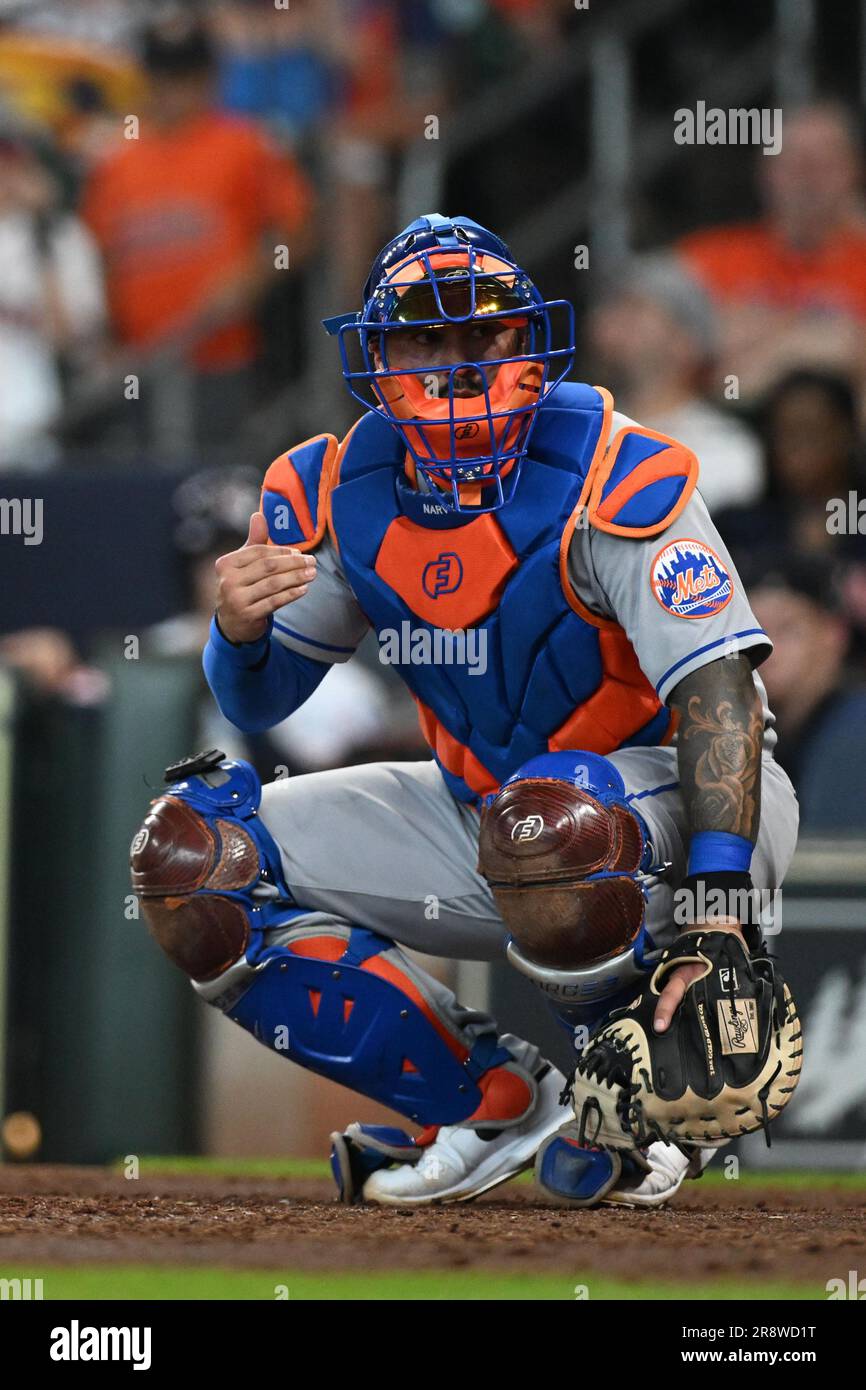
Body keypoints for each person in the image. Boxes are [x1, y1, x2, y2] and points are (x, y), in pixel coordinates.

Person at [130, 214, 799, 1210]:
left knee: (547, 819)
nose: (456, 365)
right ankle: (483, 1099)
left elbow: (717, 691)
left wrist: (718, 905)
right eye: (425, 339)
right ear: (380, 358)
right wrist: (235, 627)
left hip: (673, 805)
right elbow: (259, 696)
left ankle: (629, 1099)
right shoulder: (339, 490)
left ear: (527, 345)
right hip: (480, 810)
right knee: (191, 860)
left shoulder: (614, 472)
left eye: (482, 335)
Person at [82, 13, 315, 457]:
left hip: (220, 354)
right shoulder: (117, 159)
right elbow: (97, 256)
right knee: (138, 487)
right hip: (139, 366)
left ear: (209, 78)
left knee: (214, 479)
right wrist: (107, 339)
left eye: (184, 77)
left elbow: (299, 231)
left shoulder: (243, 143)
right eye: (163, 76)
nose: (173, 90)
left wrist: (251, 277)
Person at [677, 103, 866, 404]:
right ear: (766, 172)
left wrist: (764, 340)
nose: (807, 179)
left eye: (823, 165)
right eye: (793, 163)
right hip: (722, 431)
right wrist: (815, 339)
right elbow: (632, 334)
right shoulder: (709, 256)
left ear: (854, 172)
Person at [589, 254, 764, 513]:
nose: (613, 320)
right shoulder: (587, 427)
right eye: (615, 308)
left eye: (636, 308)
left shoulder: (726, 444)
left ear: (685, 342)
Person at [750, 560, 866, 833]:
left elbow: (833, 867)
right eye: (754, 631)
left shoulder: (856, 732)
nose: (766, 649)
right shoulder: (763, 730)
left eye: (787, 629)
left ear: (833, 633)